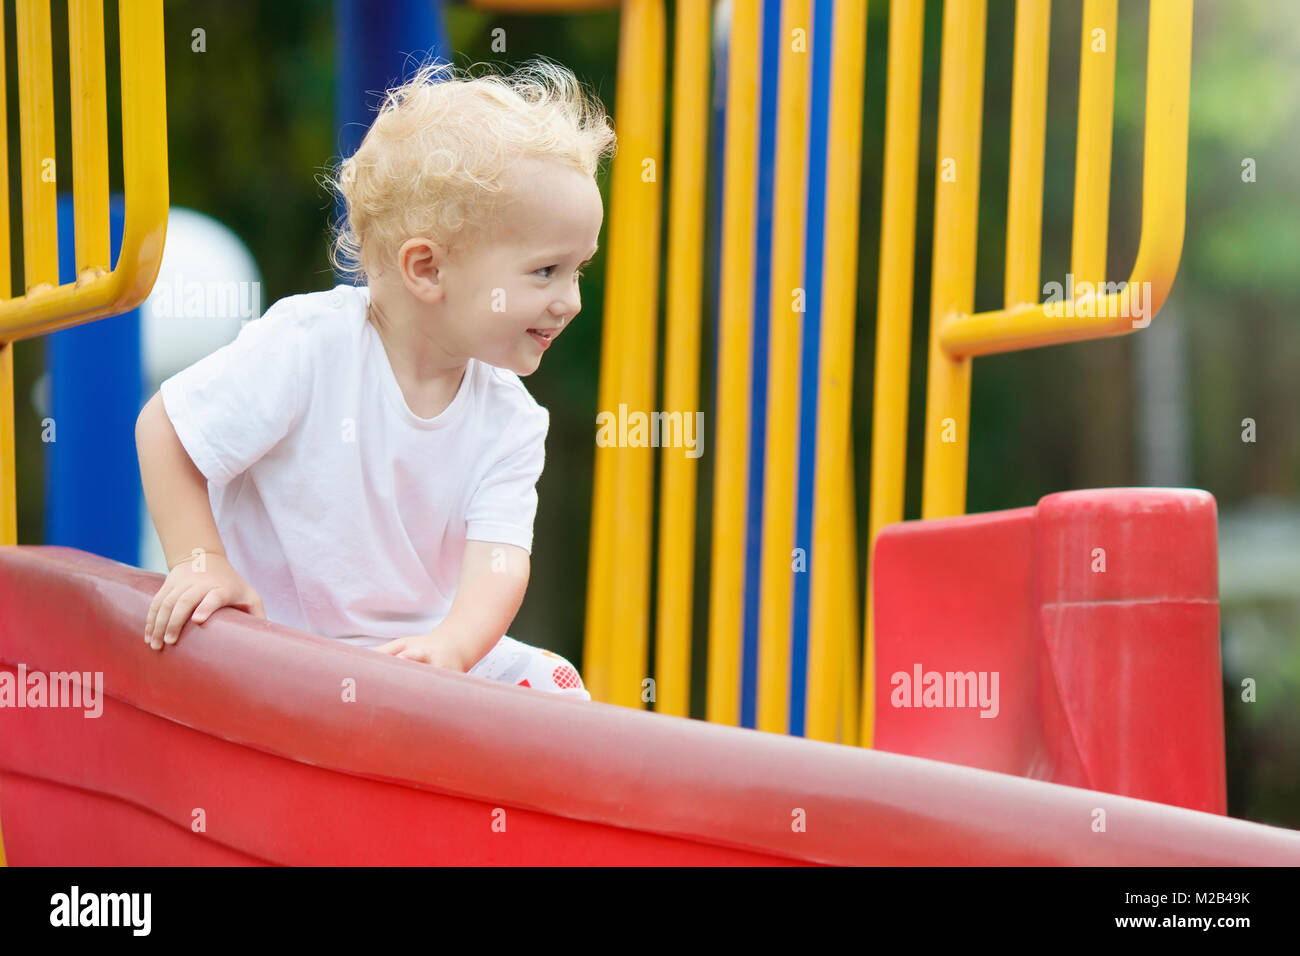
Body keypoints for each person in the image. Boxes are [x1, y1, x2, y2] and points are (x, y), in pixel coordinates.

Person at [134, 58, 615, 701]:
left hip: (413, 655)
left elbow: (498, 563)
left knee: (555, 687)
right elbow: (167, 428)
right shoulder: (310, 347)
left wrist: (452, 647)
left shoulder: (511, 420)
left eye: (578, 270)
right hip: (272, 648)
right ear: (427, 268)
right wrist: (203, 563)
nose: (571, 301)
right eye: (546, 271)